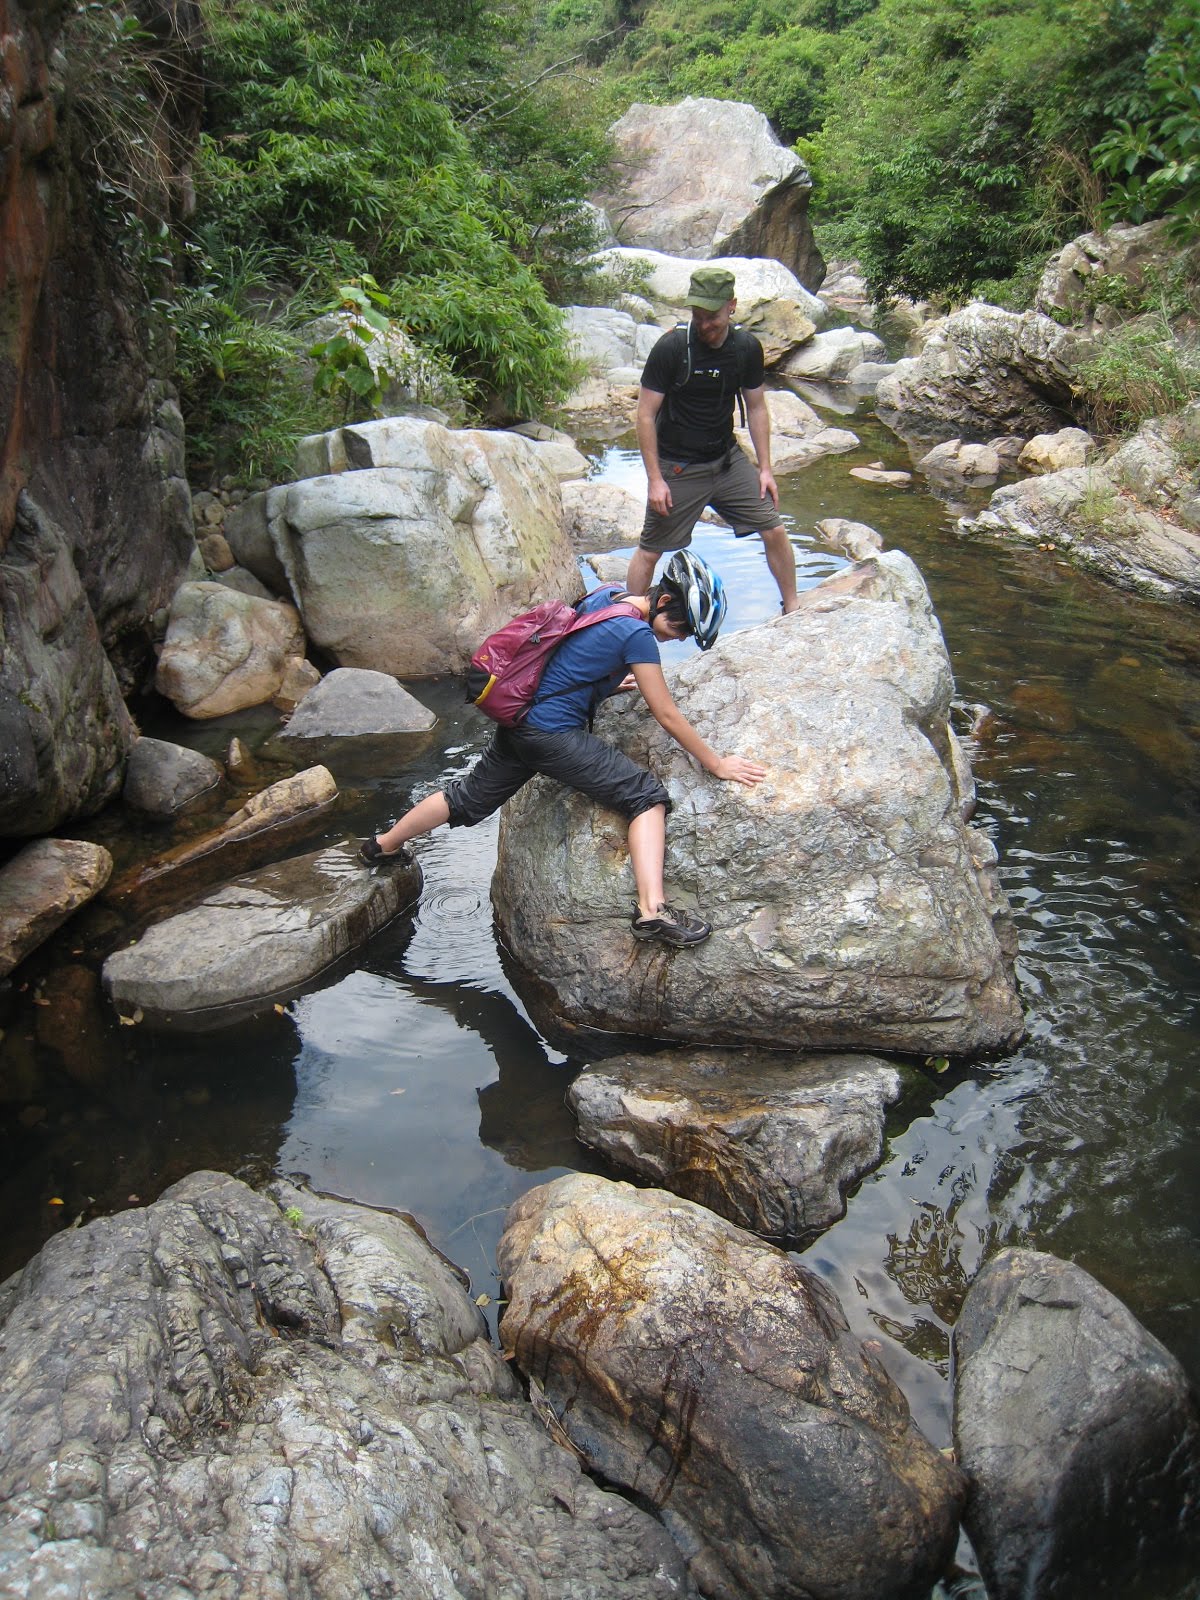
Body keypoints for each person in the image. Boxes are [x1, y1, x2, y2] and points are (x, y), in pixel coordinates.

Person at [360, 551, 766, 947]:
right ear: (662, 601)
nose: (677, 638)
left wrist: (605, 682)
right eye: (680, 628)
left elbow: (575, 652)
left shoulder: (607, 596)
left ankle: (383, 845)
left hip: (520, 720)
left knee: (466, 797)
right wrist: (716, 764)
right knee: (646, 797)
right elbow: (667, 714)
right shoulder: (638, 634)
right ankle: (652, 911)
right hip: (552, 735)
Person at [628, 265, 799, 614]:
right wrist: (655, 480)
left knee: (774, 529)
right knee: (650, 551)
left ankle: (793, 607)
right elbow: (645, 415)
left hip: (726, 461)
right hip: (677, 467)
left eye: (713, 316)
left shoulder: (746, 348)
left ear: (732, 306)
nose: (705, 324)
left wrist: (765, 469)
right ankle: (627, 622)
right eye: (698, 315)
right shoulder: (673, 347)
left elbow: (757, 408)